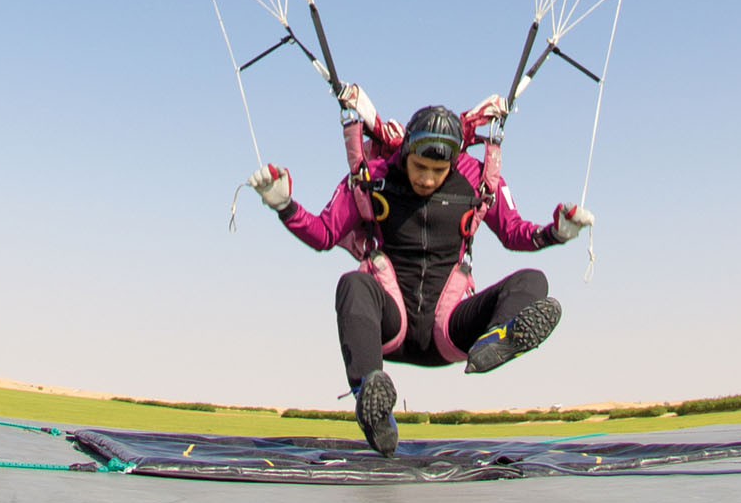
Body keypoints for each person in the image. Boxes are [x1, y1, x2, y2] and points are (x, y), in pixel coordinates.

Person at [247, 86, 594, 455]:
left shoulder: (477, 179)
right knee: (353, 284)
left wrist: (554, 233)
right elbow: (325, 233)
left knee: (533, 280)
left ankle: (498, 340)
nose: (428, 179)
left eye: (438, 170)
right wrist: (284, 206)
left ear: (453, 161)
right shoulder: (372, 176)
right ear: (407, 152)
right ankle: (372, 400)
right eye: (420, 167)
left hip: (450, 330)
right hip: (389, 325)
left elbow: (513, 232)